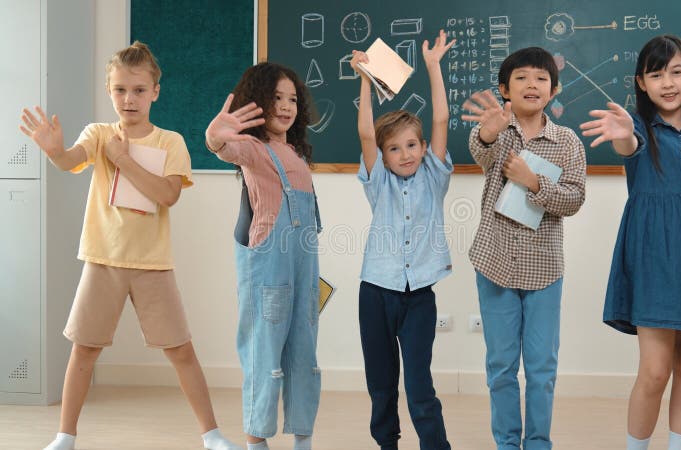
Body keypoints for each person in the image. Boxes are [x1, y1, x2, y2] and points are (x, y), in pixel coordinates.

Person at [18, 41, 242, 450]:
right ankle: (64, 437)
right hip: (102, 259)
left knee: (181, 351)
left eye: (139, 90)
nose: (129, 99)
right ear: (109, 91)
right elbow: (70, 160)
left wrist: (123, 160)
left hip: (152, 264)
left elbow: (168, 194)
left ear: (155, 91)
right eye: (120, 90)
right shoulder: (98, 134)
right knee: (84, 351)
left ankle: (212, 436)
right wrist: (54, 152)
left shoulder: (170, 141)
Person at [579, 35, 681, 450]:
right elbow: (628, 145)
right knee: (654, 372)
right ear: (641, 83)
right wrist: (622, 134)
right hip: (653, 258)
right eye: (656, 74)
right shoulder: (638, 129)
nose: (667, 83)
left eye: (676, 71)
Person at [460, 46, 587, 450]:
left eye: (541, 78)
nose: (532, 84)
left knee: (542, 368)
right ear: (505, 89)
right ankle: (506, 443)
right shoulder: (498, 130)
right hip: (494, 262)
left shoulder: (567, 142)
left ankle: (537, 443)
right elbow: (480, 150)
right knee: (500, 366)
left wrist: (533, 182)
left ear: (554, 89)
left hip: (544, 269)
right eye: (521, 78)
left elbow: (574, 199)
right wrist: (489, 131)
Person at [204, 61, 321, 450]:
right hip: (269, 267)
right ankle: (256, 442)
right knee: (263, 351)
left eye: (292, 99)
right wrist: (215, 136)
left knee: (303, 352)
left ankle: (303, 440)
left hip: (303, 266)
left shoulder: (296, 154)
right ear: (257, 101)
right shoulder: (254, 149)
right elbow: (225, 147)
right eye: (276, 98)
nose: (286, 106)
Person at [349, 29, 455, 450]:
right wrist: (364, 79)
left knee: (419, 384)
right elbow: (365, 133)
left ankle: (435, 445)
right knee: (381, 382)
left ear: (424, 147)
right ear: (383, 155)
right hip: (375, 293)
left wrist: (433, 67)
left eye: (412, 145)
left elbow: (441, 119)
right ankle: (387, 443)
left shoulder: (434, 177)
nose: (406, 154)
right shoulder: (379, 183)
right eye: (394, 149)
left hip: (418, 298)